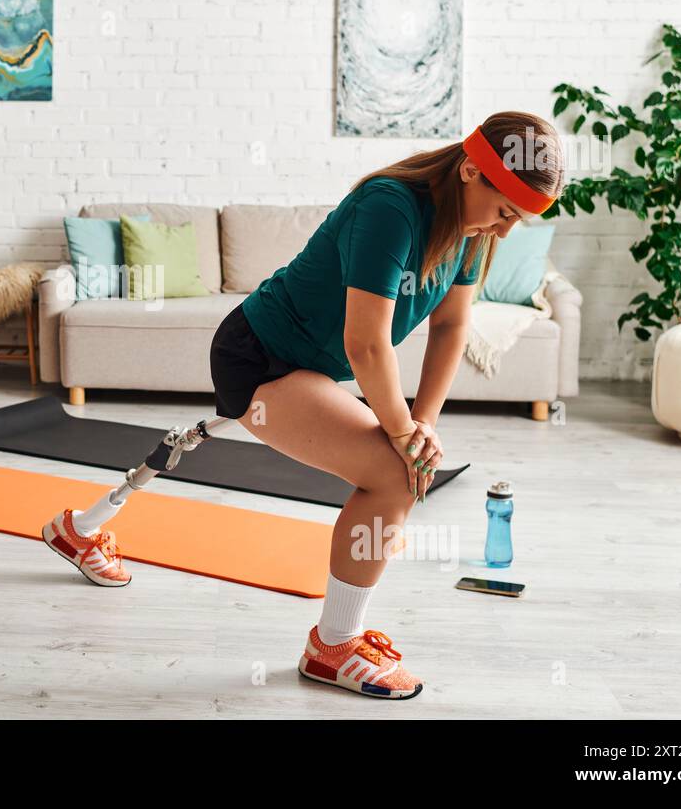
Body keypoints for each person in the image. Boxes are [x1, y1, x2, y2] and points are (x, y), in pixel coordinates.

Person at [44, 111, 564, 697]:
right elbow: (365, 343)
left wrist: (423, 422)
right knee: (397, 474)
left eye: (517, 221)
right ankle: (333, 647)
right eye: (504, 213)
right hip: (258, 356)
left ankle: (79, 529)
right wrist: (401, 435)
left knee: (404, 464)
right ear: (471, 171)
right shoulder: (391, 206)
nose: (504, 231)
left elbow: (450, 327)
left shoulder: (470, 232)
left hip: (313, 366)